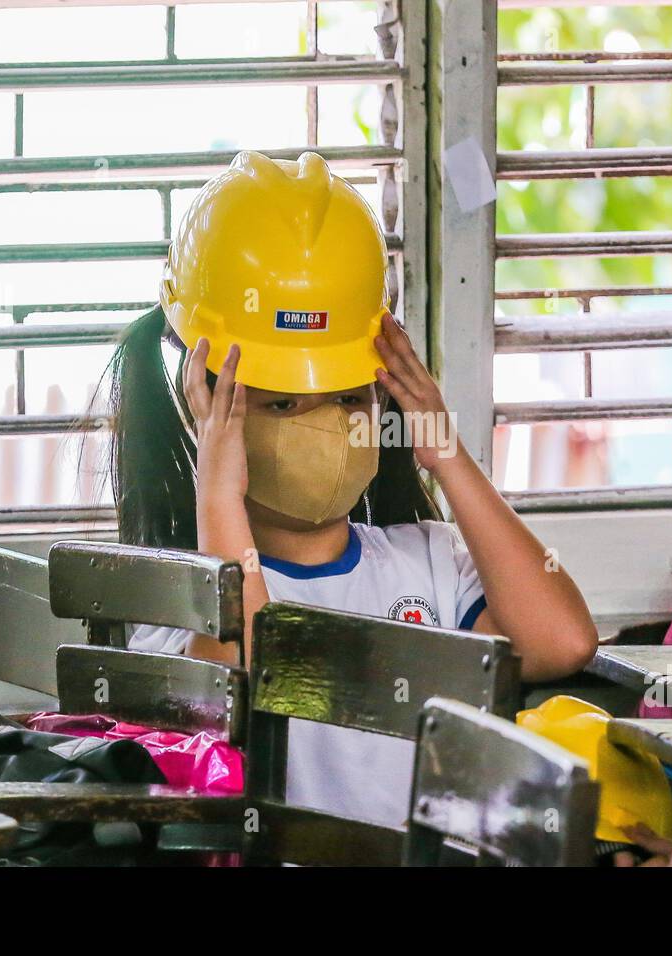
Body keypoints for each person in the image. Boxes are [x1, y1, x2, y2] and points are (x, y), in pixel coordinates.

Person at [104, 150, 598, 827]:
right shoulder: (178, 600)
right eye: (283, 405)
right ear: (209, 409)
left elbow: (563, 643)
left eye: (349, 398)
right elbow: (239, 688)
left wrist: (449, 459)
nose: (331, 429)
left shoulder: (426, 560)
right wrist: (218, 498)